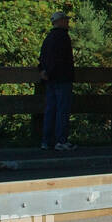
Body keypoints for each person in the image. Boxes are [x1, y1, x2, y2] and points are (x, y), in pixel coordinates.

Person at [38, 10, 77, 151]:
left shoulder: (48, 38)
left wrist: (43, 71)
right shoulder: (63, 37)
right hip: (62, 78)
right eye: (65, 20)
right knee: (62, 110)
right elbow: (60, 59)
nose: (67, 22)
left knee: (50, 110)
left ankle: (46, 141)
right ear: (59, 22)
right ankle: (61, 140)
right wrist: (51, 71)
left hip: (50, 79)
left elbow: (42, 57)